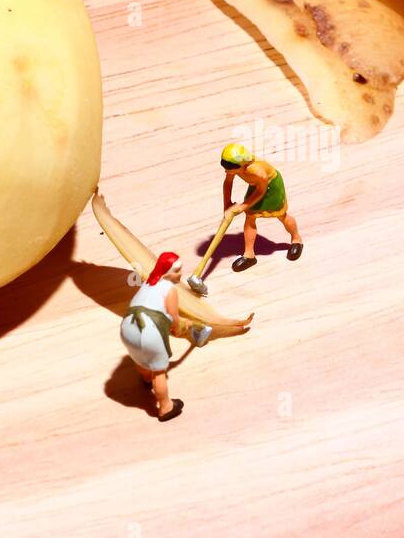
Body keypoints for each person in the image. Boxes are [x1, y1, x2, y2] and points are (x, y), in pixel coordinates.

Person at [119, 251, 211, 422]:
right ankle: (165, 406)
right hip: (148, 332)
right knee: (159, 370)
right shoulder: (170, 290)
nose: (180, 274)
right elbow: (174, 319)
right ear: (167, 272)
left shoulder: (147, 283)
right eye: (176, 271)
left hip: (127, 328)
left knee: (139, 357)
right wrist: (179, 328)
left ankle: (145, 377)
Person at [219, 144, 303, 272]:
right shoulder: (232, 166)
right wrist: (227, 204)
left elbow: (261, 192)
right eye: (225, 166)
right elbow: (228, 183)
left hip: (271, 186)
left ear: (243, 165)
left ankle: (297, 239)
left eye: (230, 168)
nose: (227, 171)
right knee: (250, 217)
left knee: (281, 214)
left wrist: (242, 206)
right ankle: (249, 255)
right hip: (256, 185)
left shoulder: (257, 171)